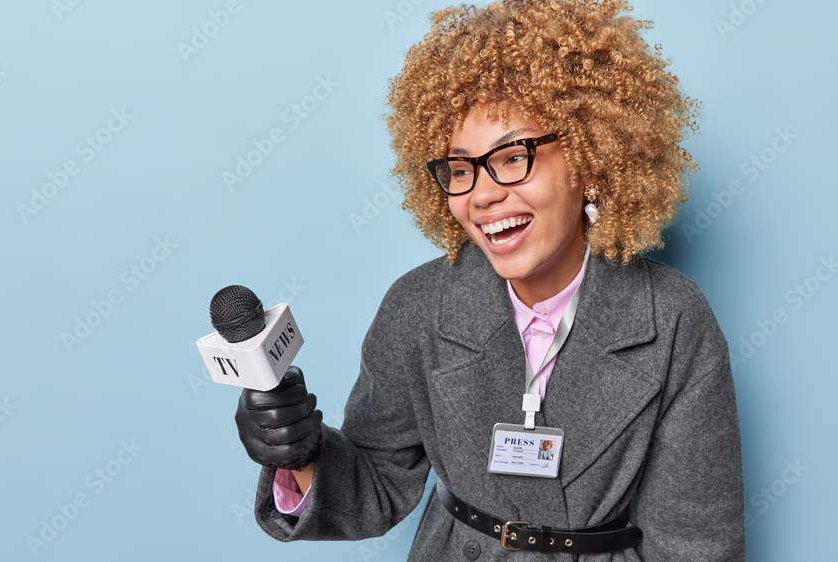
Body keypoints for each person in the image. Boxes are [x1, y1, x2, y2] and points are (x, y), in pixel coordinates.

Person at [233, 1, 745, 559]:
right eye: (460, 168)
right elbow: (379, 481)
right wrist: (300, 454)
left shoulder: (671, 317)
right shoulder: (420, 306)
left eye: (513, 156)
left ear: (592, 162)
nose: (481, 195)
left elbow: (697, 543)